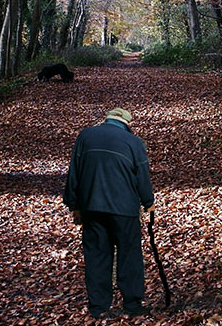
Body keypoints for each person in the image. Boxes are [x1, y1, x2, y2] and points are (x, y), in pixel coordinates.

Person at [64, 107, 155, 318]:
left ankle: (98, 307)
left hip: (92, 208)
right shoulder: (134, 142)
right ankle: (132, 305)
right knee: (129, 256)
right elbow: (142, 175)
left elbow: (74, 171)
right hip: (125, 210)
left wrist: (74, 204)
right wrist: (148, 202)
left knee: (97, 256)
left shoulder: (85, 136)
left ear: (106, 121)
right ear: (126, 125)